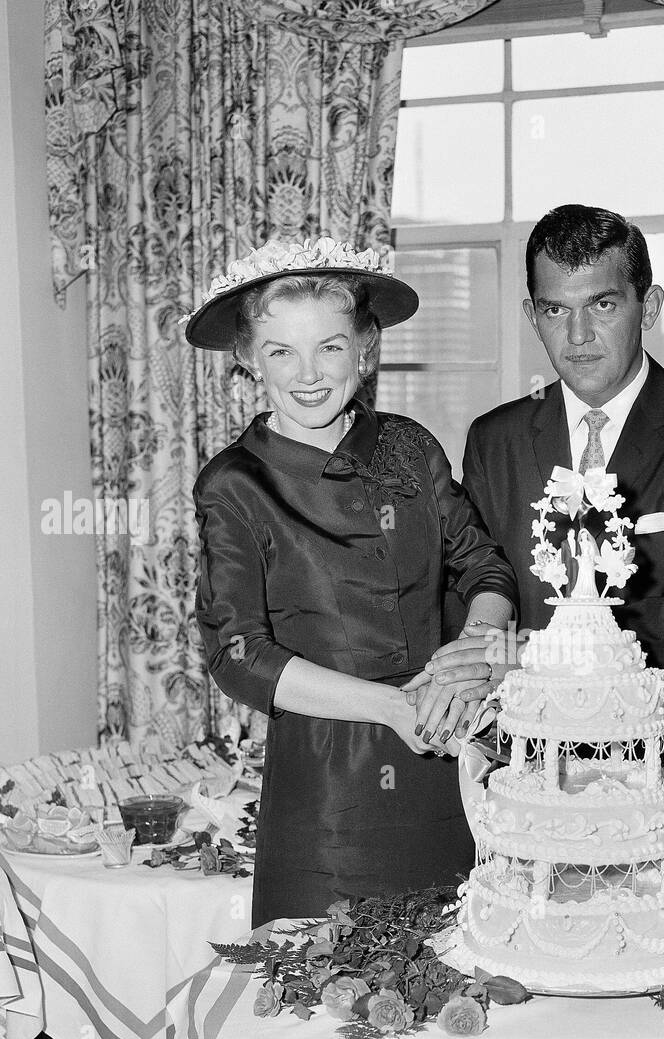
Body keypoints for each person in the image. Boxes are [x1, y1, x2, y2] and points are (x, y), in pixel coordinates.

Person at [415, 206, 664, 910]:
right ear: (531, 314)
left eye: (602, 304)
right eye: (555, 310)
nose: (577, 336)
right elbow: (482, 581)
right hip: (531, 777)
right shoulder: (496, 438)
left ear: (648, 304)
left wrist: (532, 655)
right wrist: (467, 660)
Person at [185, 238, 516, 926]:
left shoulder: (409, 445)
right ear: (248, 359)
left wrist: (475, 650)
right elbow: (238, 653)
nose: (308, 374)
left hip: (446, 754)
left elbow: (482, 562)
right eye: (281, 352)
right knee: (329, 994)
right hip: (327, 779)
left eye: (330, 347)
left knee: (455, 983)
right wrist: (392, 707)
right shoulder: (234, 485)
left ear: (365, 349)